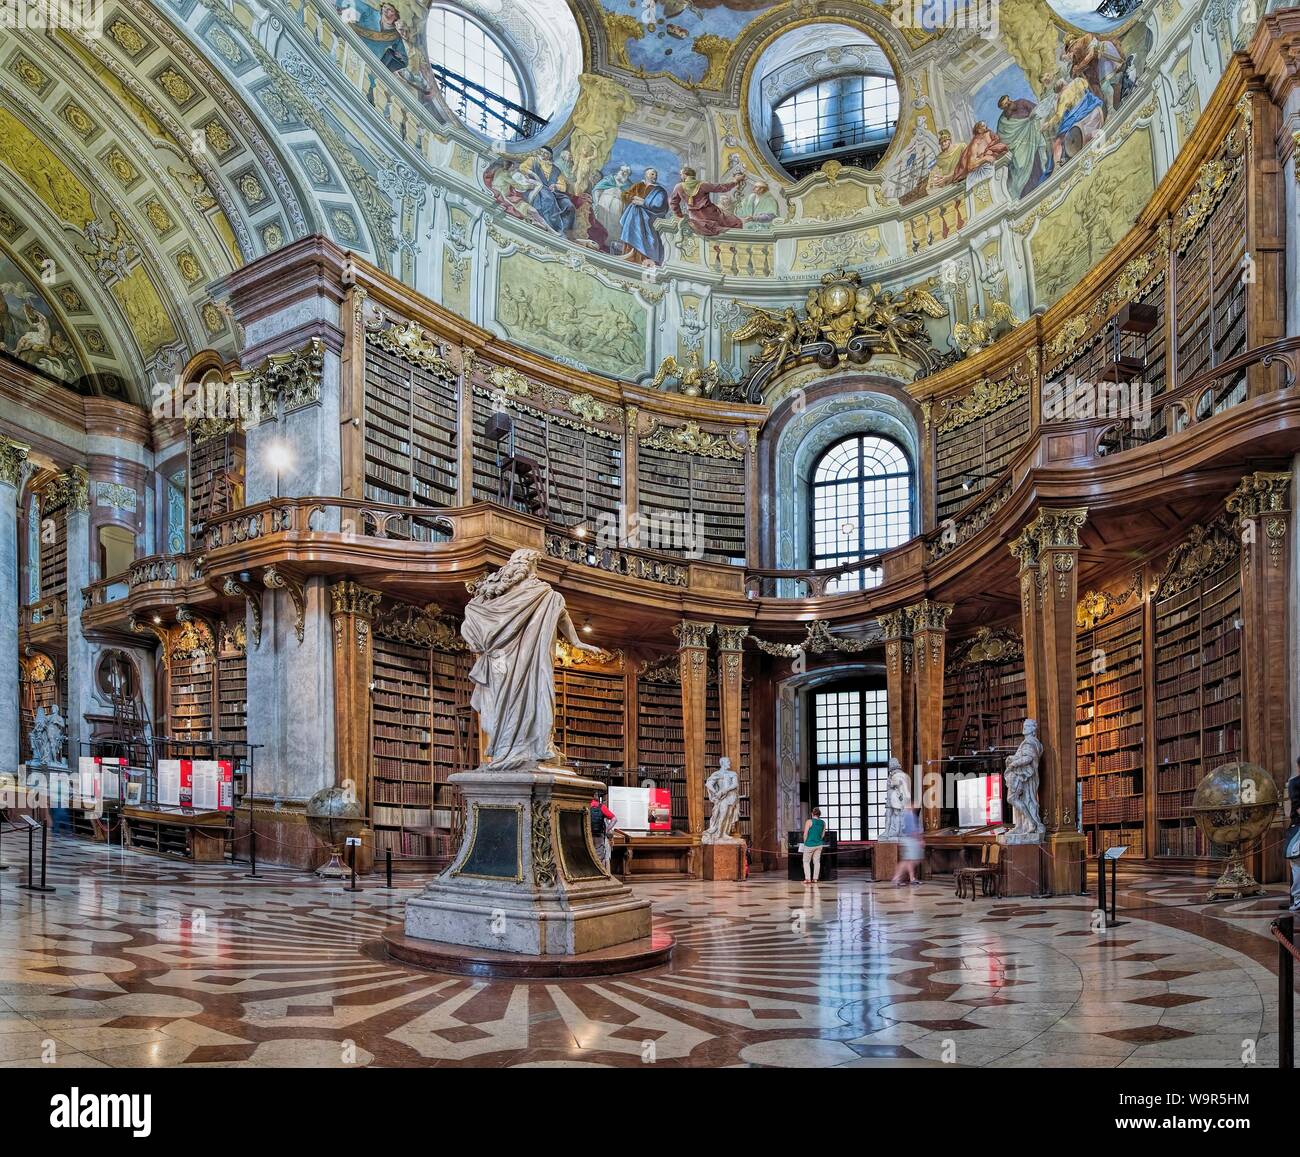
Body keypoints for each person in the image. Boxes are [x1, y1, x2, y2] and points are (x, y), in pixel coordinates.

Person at [670, 168, 745, 237]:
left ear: (684, 175)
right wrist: (735, 181)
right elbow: (721, 188)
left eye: (681, 174)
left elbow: (673, 203)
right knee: (736, 222)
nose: (680, 176)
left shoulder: (678, 187)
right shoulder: (703, 184)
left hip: (694, 217)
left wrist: (679, 215)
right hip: (711, 215)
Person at [619, 167, 670, 266]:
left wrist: (643, 202)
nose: (654, 176)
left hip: (649, 219)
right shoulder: (638, 185)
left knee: (648, 239)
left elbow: (660, 205)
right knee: (631, 233)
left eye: (655, 174)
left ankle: (644, 259)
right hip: (633, 216)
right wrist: (633, 197)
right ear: (646, 175)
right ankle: (630, 256)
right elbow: (625, 195)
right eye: (652, 174)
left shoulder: (659, 190)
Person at [893, 806, 924, 886]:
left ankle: (911, 878)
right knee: (910, 860)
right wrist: (920, 840)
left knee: (909, 860)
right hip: (910, 840)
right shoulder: (909, 815)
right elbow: (912, 830)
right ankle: (897, 877)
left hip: (907, 840)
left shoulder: (907, 814)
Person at [589, 790, 619, 870]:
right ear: (596, 796)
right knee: (599, 856)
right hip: (599, 835)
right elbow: (614, 819)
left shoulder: (586, 805)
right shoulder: (601, 807)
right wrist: (607, 829)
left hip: (587, 835)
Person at [1285, 758, 1300, 913]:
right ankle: (1297, 900)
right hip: (1298, 828)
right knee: (1297, 863)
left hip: (1297, 826)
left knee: (1297, 865)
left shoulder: (1294, 783)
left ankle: (1297, 899)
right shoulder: (1295, 783)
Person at [801, 807, 826, 886]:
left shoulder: (809, 821)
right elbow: (822, 835)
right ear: (819, 814)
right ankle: (815, 879)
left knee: (806, 861)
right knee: (817, 862)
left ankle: (808, 879)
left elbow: (805, 834)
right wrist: (818, 840)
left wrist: (805, 843)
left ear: (812, 813)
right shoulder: (823, 822)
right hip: (819, 844)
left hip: (809, 844)